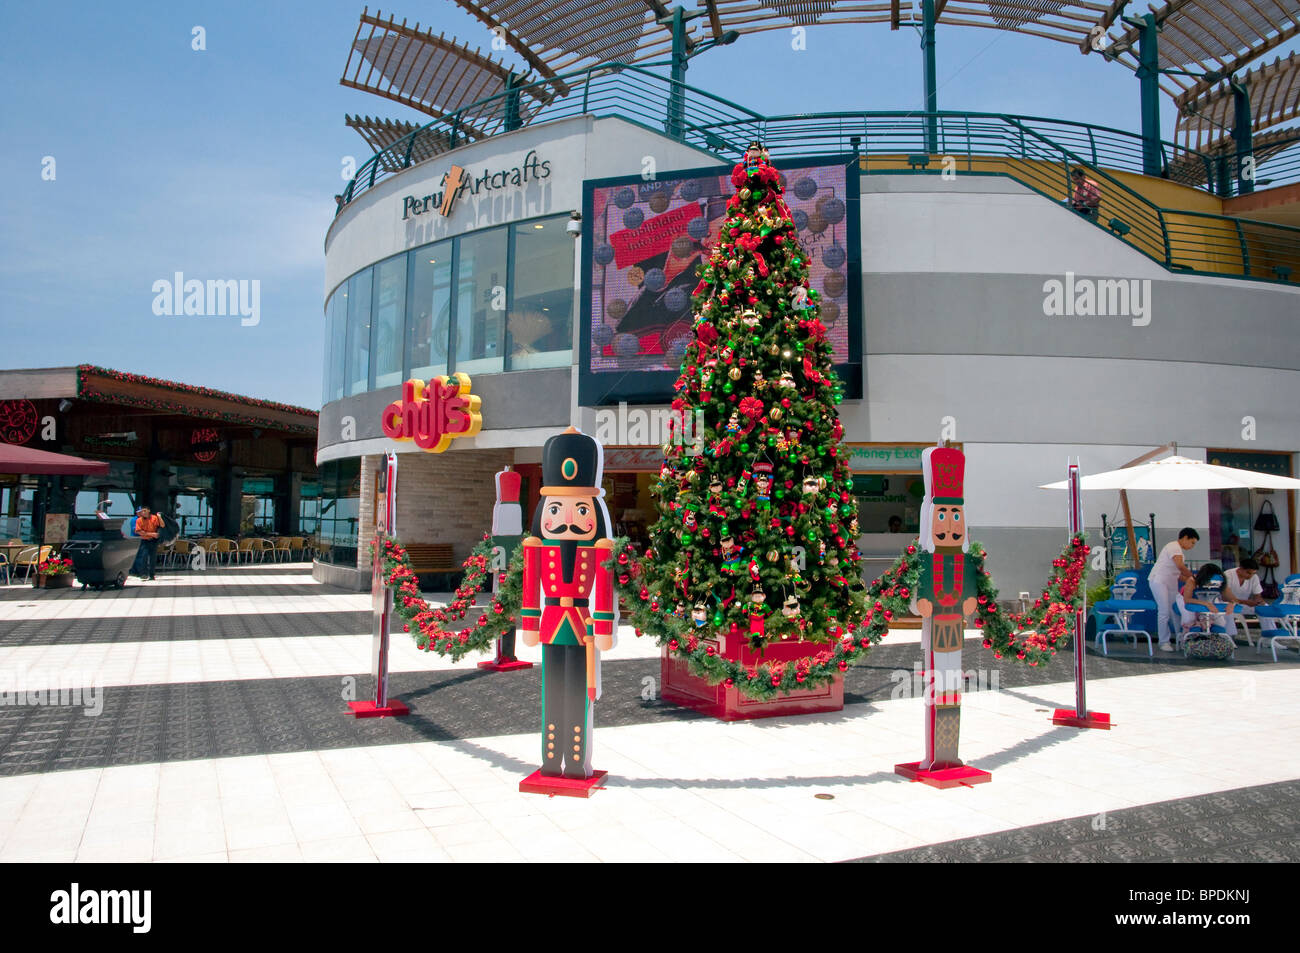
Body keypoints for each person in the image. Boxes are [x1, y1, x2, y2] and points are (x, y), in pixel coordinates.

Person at [1149, 527, 1198, 652]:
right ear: (1185, 537)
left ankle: (1180, 638)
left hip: (1171, 583)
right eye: (1192, 542)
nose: (1192, 546)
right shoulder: (1173, 546)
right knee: (1164, 611)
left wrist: (1191, 580)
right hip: (1159, 581)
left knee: (1176, 611)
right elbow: (1180, 566)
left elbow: (1178, 574)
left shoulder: (1179, 552)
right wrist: (1192, 577)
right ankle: (1163, 642)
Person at [1219, 557, 1278, 640]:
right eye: (1248, 573)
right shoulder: (1227, 575)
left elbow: (1258, 595)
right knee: (1228, 609)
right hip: (1227, 604)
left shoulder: (1254, 577)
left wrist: (1259, 601)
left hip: (1243, 605)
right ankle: (1229, 639)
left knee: (1265, 608)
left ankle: (1270, 638)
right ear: (1240, 569)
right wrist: (1246, 602)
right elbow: (1227, 597)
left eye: (1253, 573)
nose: (1250, 576)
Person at [134, 506, 164, 581]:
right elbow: (139, 532)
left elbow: (162, 525)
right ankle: (143, 573)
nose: (143, 512)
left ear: (149, 511)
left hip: (153, 541)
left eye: (144, 511)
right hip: (145, 540)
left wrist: (159, 517)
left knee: (153, 558)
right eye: (142, 511)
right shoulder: (139, 520)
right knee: (144, 557)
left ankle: (152, 574)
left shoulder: (154, 518)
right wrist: (152, 534)